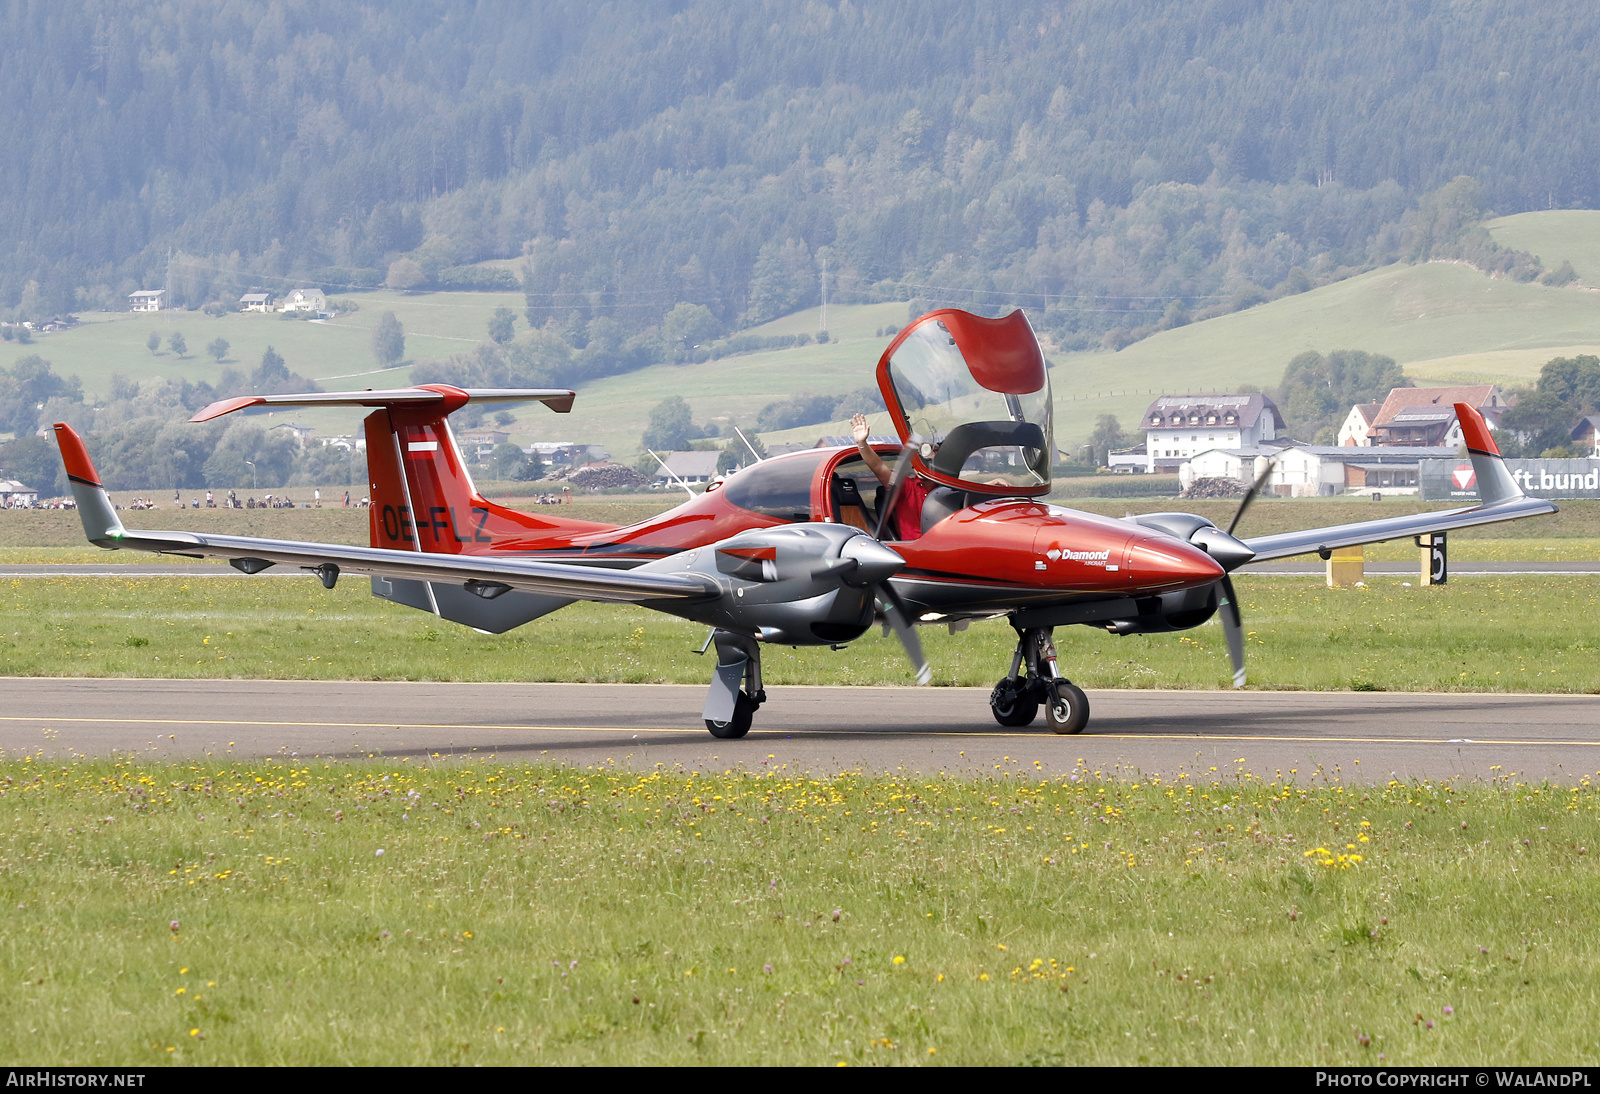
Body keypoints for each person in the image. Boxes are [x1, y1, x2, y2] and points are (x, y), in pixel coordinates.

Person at [851, 412, 928, 540]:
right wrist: (862, 444)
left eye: (927, 457)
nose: (921, 463)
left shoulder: (946, 487)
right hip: (916, 550)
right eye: (917, 459)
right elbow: (878, 467)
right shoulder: (906, 487)